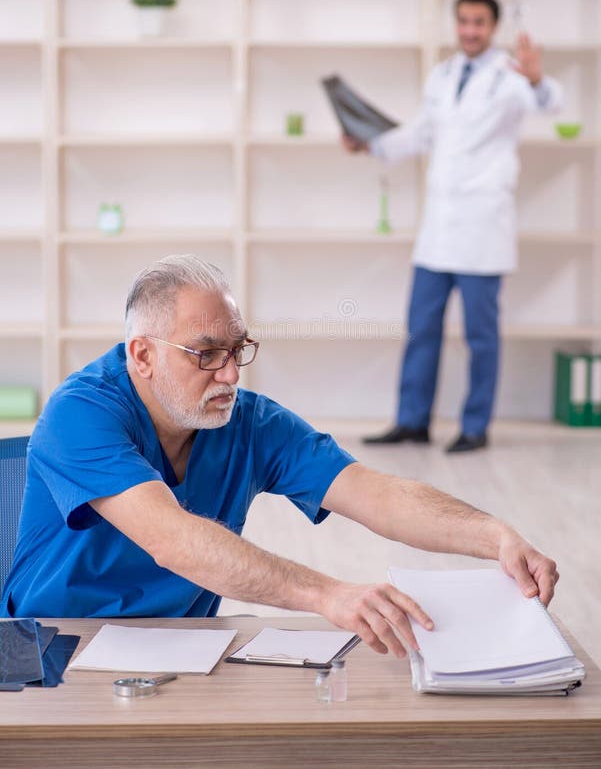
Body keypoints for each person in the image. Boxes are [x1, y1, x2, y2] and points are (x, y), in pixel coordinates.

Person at [1, 255, 559, 658]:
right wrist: (328, 594)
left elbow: (372, 492)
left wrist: (495, 536)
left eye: (238, 349)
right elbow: (171, 539)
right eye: (206, 354)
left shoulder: (245, 419)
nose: (229, 374)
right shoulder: (78, 414)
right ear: (142, 355)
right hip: (51, 646)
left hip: (179, 651)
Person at [345, 0, 563, 453]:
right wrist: (371, 144)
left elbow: (550, 102)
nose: (469, 30)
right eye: (463, 21)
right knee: (421, 327)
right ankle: (413, 421)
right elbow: (421, 134)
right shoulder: (442, 76)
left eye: (479, 22)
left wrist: (540, 78)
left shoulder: (511, 76)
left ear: (493, 26)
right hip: (439, 228)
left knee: (481, 336)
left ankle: (475, 427)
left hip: (484, 226)